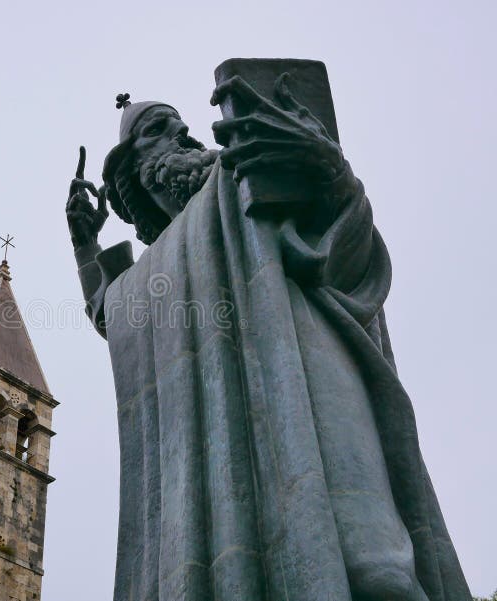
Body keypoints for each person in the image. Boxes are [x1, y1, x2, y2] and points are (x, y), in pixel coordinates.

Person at [66, 77, 470, 601]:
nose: (186, 132)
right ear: (134, 177)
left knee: (378, 569)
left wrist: (330, 171)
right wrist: (85, 248)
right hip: (221, 453)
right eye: (159, 130)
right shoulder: (151, 275)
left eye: (180, 122)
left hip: (308, 373)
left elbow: (343, 238)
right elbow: (114, 317)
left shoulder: (249, 173)